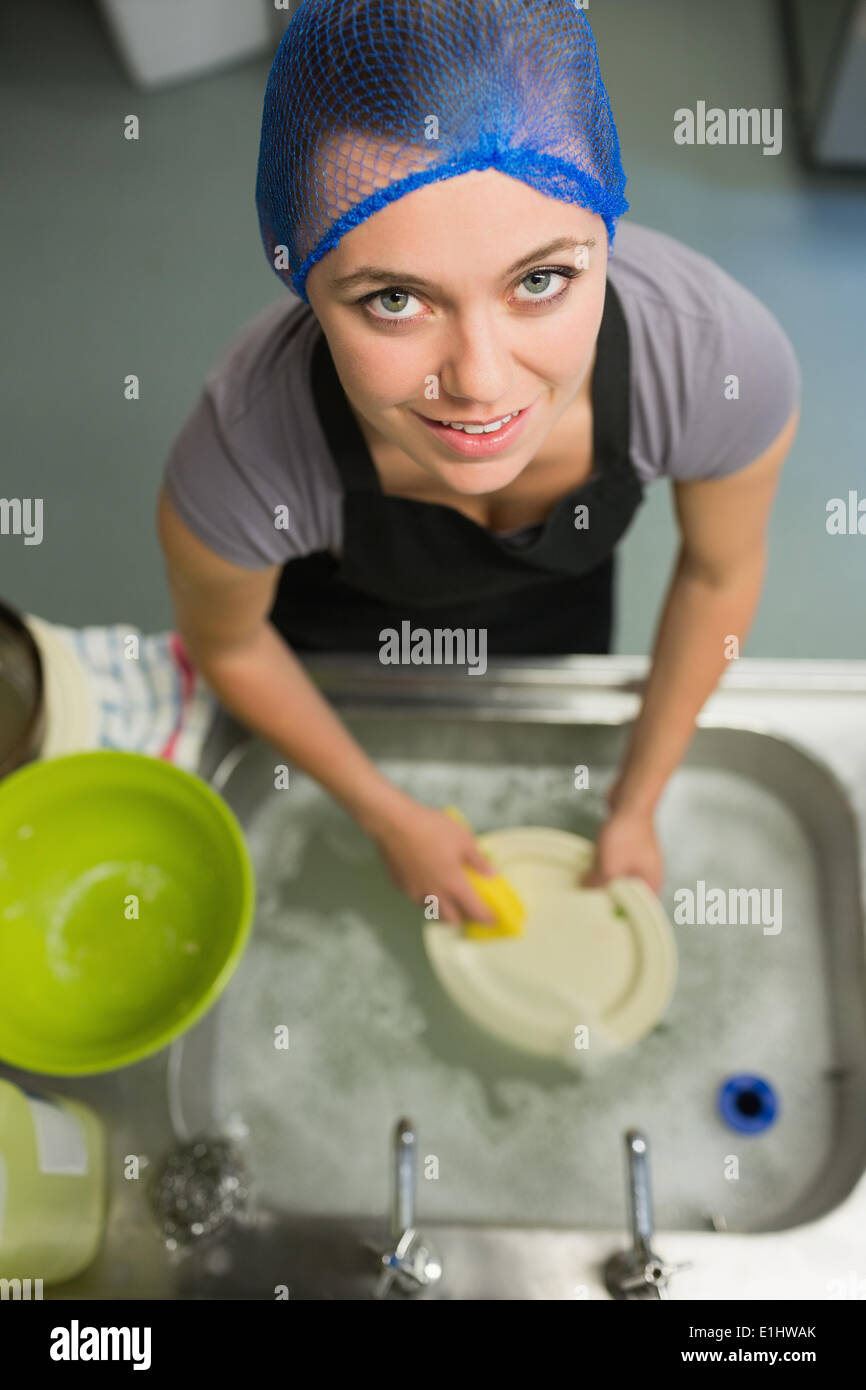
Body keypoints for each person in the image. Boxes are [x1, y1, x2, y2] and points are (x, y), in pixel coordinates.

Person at [157, 0, 801, 925]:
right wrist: (386, 815)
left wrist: (635, 804)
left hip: (558, 611)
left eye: (541, 281)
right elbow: (228, 643)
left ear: (606, 230)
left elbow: (718, 573)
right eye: (392, 300)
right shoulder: (244, 455)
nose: (482, 383)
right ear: (303, 278)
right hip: (342, 641)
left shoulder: (715, 361)